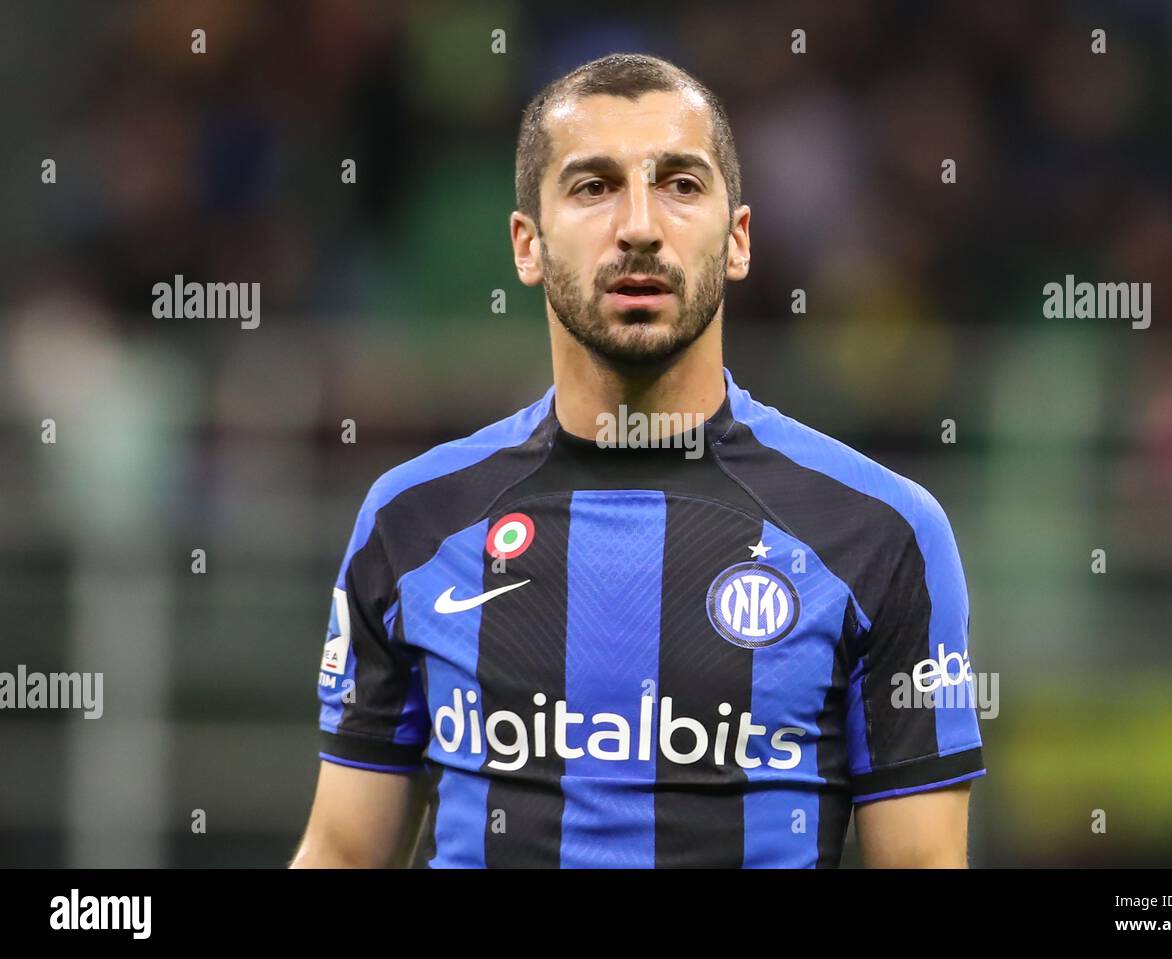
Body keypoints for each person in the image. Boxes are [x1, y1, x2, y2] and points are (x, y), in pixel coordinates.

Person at [292, 52, 984, 868]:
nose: (641, 226)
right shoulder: (412, 521)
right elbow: (341, 850)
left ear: (738, 240)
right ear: (527, 245)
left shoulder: (881, 531)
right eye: (594, 186)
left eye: (682, 184)